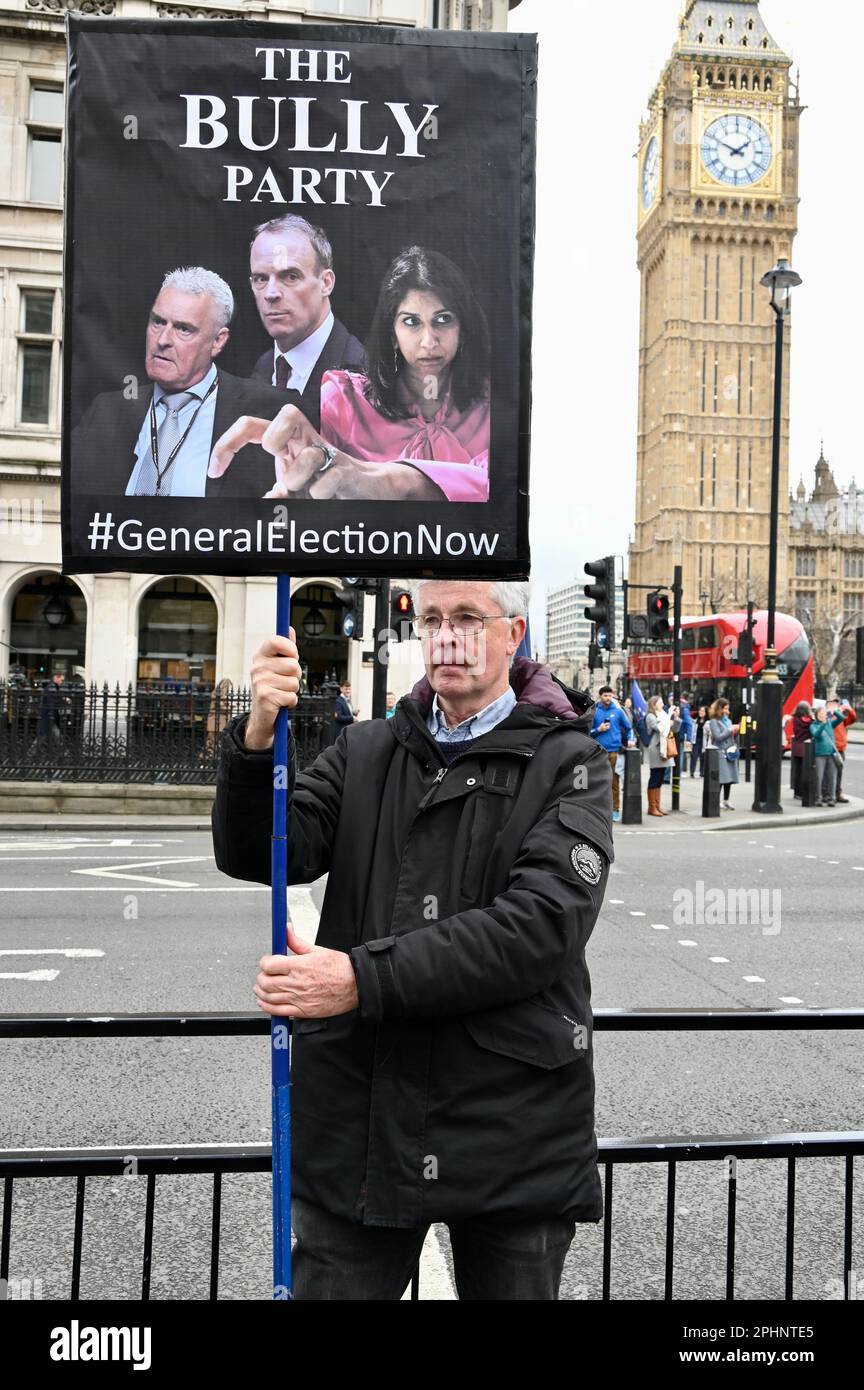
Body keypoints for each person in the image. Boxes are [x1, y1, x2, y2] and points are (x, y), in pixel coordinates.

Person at [211, 579, 613, 1300]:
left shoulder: (570, 761)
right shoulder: (367, 748)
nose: (447, 636)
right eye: (431, 619)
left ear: (514, 634)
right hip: (363, 1122)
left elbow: (540, 927)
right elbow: (267, 851)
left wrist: (359, 981)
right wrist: (258, 735)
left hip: (510, 1125)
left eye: (468, 618)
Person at [208, 247, 490, 502]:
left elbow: (500, 496)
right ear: (392, 333)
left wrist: (389, 481)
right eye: (411, 322)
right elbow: (323, 495)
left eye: (443, 320)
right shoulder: (343, 400)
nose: (429, 341)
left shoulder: (494, 407)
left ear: (462, 328)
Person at [73, 267, 288, 498]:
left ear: (218, 341)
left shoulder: (268, 411)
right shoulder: (106, 412)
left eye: (183, 329)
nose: (163, 340)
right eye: (158, 322)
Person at [246, 215, 365, 429]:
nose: (270, 293)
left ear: (325, 283)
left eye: (290, 276)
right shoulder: (262, 368)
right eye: (260, 279)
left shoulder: (364, 375)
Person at [589, 685, 632, 823]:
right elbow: (587, 732)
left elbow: (629, 728)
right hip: (598, 752)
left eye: (610, 695)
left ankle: (615, 810)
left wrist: (631, 739)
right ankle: (598, 810)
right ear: (600, 696)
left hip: (614, 752)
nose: (608, 698)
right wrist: (598, 729)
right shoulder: (595, 711)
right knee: (598, 782)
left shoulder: (618, 712)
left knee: (614, 781)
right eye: (605, 695)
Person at [645, 695, 680, 816]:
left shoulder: (664, 715)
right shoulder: (651, 716)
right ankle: (652, 807)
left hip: (664, 749)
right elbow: (660, 728)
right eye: (660, 702)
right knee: (655, 777)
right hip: (656, 749)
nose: (662, 704)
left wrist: (676, 718)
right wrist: (669, 715)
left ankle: (657, 806)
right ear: (654, 704)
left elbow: (674, 729)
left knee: (660, 779)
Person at [707, 698, 740, 809]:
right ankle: (716, 800)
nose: (727, 711)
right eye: (725, 708)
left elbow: (730, 737)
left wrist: (736, 731)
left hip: (730, 751)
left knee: (729, 778)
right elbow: (718, 737)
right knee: (722, 778)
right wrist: (730, 730)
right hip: (720, 752)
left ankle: (726, 800)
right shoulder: (713, 721)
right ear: (719, 709)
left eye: (728, 709)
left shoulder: (728, 721)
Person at [810, 701, 845, 806]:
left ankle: (831, 798)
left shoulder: (830, 723)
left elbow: (841, 718)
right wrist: (823, 724)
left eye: (824, 713)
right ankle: (818, 798)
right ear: (816, 715)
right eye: (820, 714)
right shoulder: (813, 725)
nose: (822, 715)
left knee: (832, 777)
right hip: (820, 755)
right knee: (819, 777)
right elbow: (817, 735)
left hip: (831, 754)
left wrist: (833, 711)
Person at [826, 698, 857, 804]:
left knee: (838, 773)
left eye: (836, 703)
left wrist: (849, 708)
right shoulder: (826, 715)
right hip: (829, 749)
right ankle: (828, 794)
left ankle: (837, 793)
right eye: (832, 703)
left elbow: (853, 718)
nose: (834, 704)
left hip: (839, 750)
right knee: (828, 773)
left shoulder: (841, 717)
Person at [790, 699, 813, 799]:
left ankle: (796, 792)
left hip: (796, 748)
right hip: (805, 748)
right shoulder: (809, 721)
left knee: (797, 771)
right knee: (805, 772)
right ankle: (803, 792)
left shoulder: (795, 719)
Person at [690, 704, 708, 778]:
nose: (701, 712)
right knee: (694, 755)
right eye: (700, 710)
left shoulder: (707, 722)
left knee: (703, 756)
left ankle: (702, 772)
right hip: (696, 740)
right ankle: (692, 771)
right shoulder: (695, 720)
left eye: (703, 711)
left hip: (704, 740)